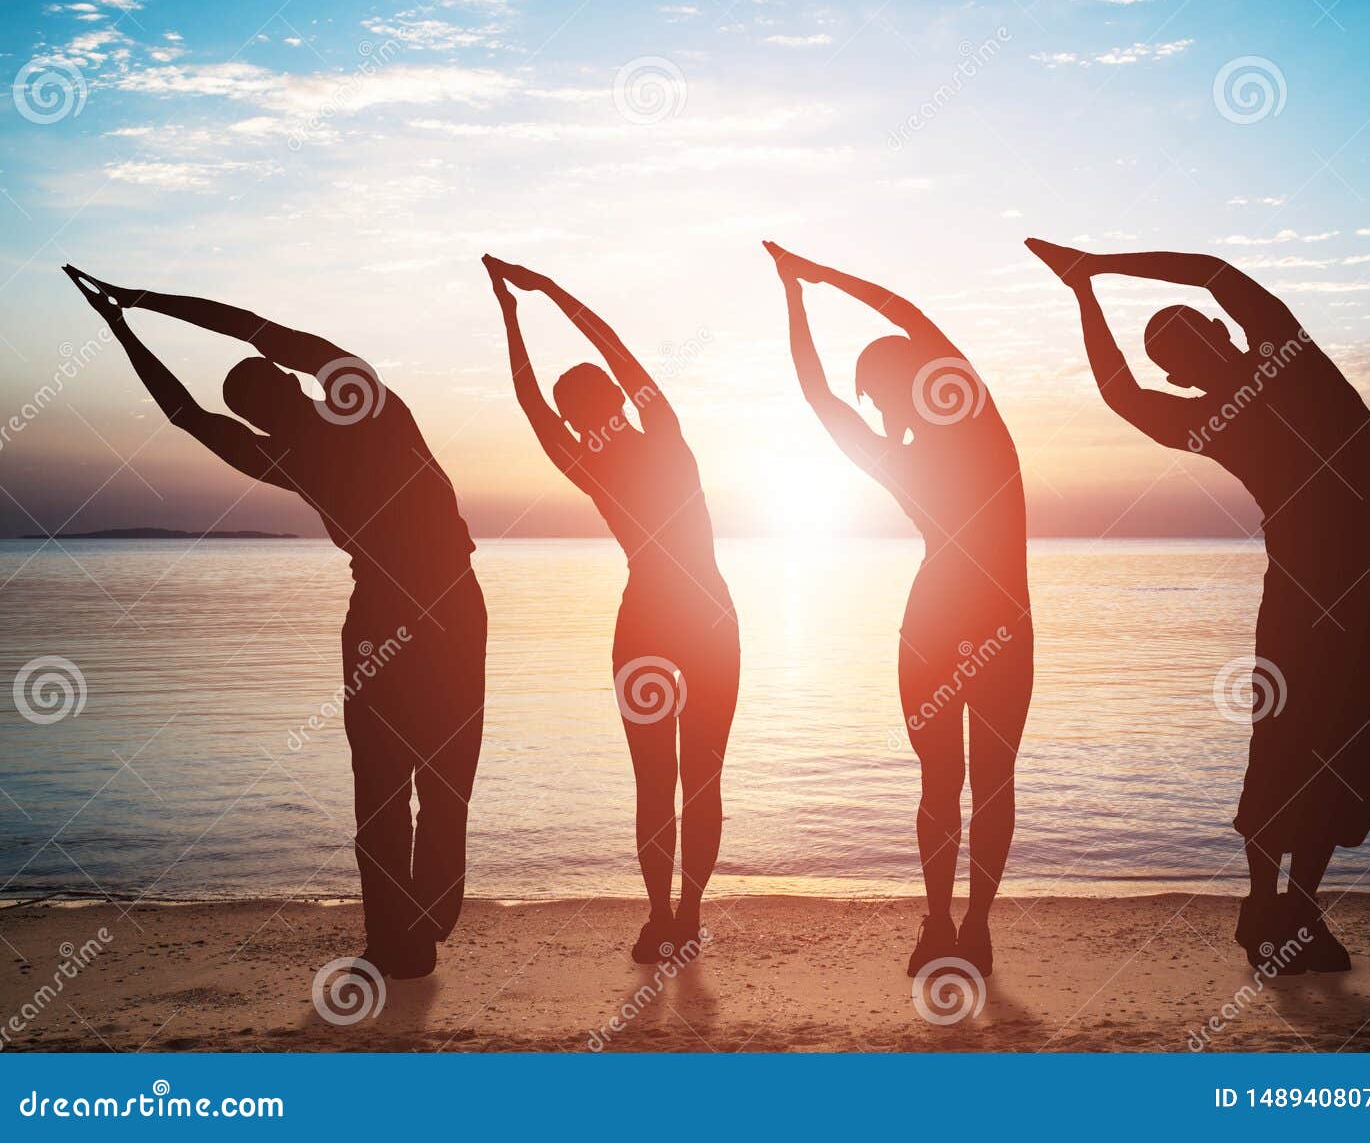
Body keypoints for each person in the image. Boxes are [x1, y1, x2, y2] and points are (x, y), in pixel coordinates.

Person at [65, 266, 485, 980]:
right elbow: (235, 360)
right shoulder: (339, 422)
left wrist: (131, 316)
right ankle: (404, 933)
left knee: (418, 778)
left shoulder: (332, 426)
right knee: (405, 780)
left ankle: (415, 925)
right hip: (420, 607)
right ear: (282, 397)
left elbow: (206, 392)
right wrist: (132, 314)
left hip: (424, 609)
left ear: (288, 392)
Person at [1026, 239, 1370, 973]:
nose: (1193, 354)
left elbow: (1215, 273)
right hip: (1307, 592)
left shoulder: (1287, 356)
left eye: (1195, 333)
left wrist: (1097, 264)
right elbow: (1122, 396)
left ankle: (1298, 907)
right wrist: (1084, 293)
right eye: (1176, 355)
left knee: (1351, 740)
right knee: (1283, 741)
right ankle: (1262, 903)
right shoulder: (1219, 417)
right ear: (1180, 374)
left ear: (1222, 331)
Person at [767, 243, 1032, 978]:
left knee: (985, 780)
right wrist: (802, 294)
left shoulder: (973, 427)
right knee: (946, 780)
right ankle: (946, 922)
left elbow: (908, 319)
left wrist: (813, 281)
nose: (879, 412)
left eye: (881, 396)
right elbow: (821, 396)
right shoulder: (934, 449)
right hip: (955, 624)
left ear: (918, 385)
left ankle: (969, 924)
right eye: (873, 402)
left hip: (975, 624)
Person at [483, 255, 737, 963]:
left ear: (584, 415)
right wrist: (547, 293)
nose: (575, 421)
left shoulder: (593, 462)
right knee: (695, 778)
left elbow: (531, 397)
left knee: (661, 782)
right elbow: (613, 353)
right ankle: (680, 914)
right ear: (616, 403)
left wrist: (513, 314)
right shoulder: (660, 435)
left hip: (658, 623)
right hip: (704, 616)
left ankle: (668, 915)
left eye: (575, 413)